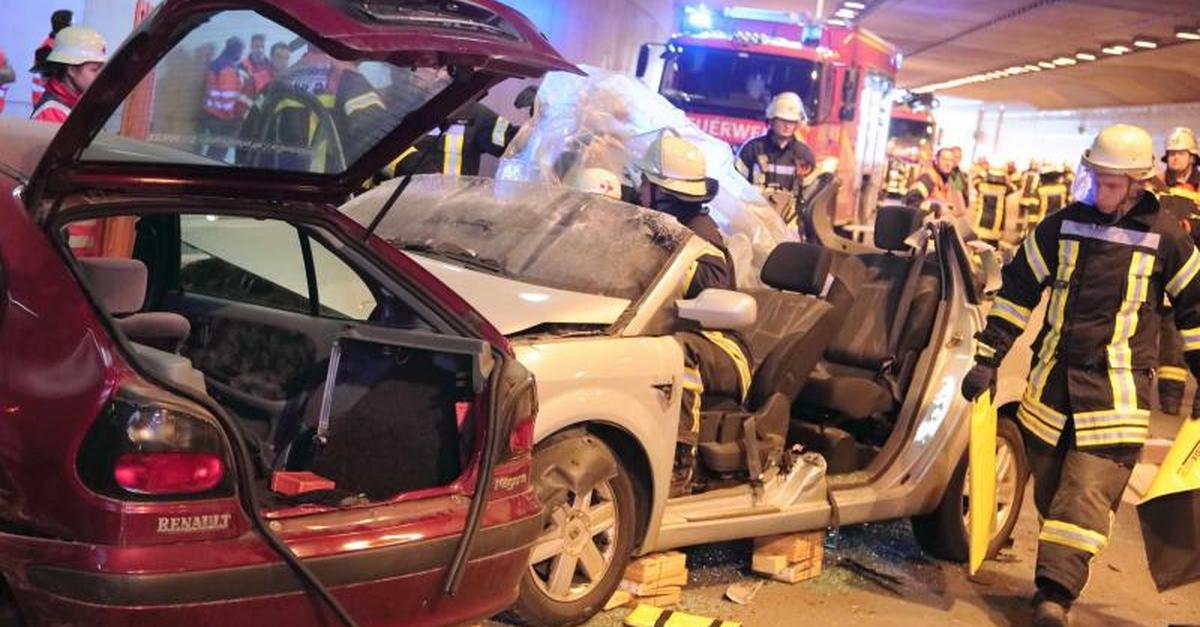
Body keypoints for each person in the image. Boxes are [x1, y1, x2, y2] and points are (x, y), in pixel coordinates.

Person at [960, 124, 1200, 627]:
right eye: (1095, 178)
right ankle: (1057, 575)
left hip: (1116, 397)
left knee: (1085, 494)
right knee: (1052, 494)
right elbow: (1017, 291)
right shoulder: (1061, 225)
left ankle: (1054, 596)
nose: (1099, 191)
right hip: (1049, 393)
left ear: (1137, 184)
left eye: (1111, 183)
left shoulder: (1167, 239)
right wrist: (988, 358)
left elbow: (1196, 312)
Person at [637, 129, 752, 497]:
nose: (638, 189)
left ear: (661, 192)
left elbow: (713, 312)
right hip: (664, 332)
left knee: (676, 351)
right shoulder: (659, 228)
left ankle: (678, 461)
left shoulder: (702, 248)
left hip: (719, 349)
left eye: (644, 182)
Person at [238, 47, 386, 173]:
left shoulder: (276, 83)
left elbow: (244, 144)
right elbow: (380, 140)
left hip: (277, 194)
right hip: (329, 195)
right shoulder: (350, 81)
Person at [1155, 127, 1200, 415]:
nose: (1173, 158)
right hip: (1163, 269)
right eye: (1170, 153)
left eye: (1179, 153)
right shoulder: (1158, 186)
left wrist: (1193, 229)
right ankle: (1168, 400)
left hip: (1194, 271)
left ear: (1192, 157)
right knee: (1168, 338)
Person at [735, 92, 816, 228]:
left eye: (792, 122)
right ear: (771, 120)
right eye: (783, 120)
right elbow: (735, 184)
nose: (787, 126)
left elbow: (810, 196)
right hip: (754, 220)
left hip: (789, 223)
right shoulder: (752, 149)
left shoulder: (804, 155)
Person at [383, 101, 518, 178]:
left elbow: (515, 146)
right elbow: (372, 153)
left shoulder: (475, 114)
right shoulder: (392, 107)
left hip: (453, 214)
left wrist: (537, 117)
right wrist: (410, 165)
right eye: (431, 67)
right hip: (399, 208)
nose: (440, 75)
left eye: (446, 68)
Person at [29, 27, 106, 123]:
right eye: (95, 70)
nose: (101, 76)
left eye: (102, 69)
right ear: (72, 70)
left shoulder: (71, 105)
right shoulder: (52, 113)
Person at [198, 37, 249, 161]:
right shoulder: (228, 68)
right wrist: (235, 116)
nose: (241, 54)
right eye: (240, 50)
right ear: (236, 50)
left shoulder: (215, 63)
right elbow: (228, 99)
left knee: (213, 151)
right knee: (217, 154)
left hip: (210, 113)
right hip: (222, 119)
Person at [905, 147, 967, 215]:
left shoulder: (950, 178)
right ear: (936, 160)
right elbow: (912, 200)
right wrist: (937, 208)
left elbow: (961, 200)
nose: (948, 163)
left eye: (951, 160)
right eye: (944, 159)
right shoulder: (928, 177)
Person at [31, 9, 73, 104]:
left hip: (52, 101)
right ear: (66, 25)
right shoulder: (47, 48)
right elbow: (48, 78)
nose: (74, 27)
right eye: (72, 23)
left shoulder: (58, 45)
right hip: (45, 102)